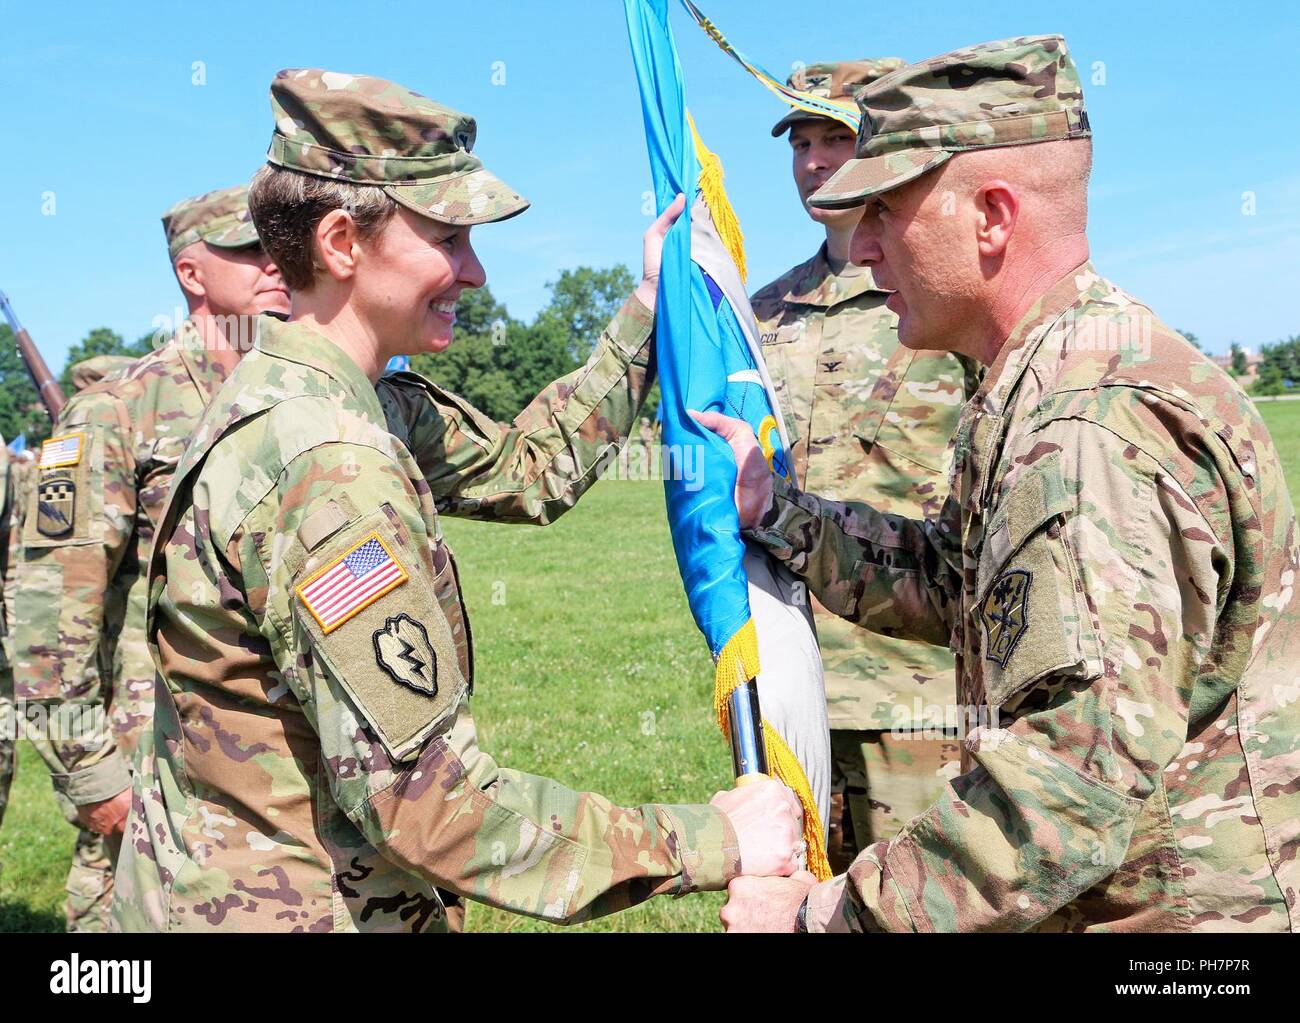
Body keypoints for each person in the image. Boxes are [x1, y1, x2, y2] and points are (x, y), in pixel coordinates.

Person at [111, 68, 801, 933]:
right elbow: (430, 804)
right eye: (449, 236)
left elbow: (531, 468)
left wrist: (647, 308)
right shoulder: (327, 464)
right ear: (340, 242)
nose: (473, 273)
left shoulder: (331, 394)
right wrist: (713, 839)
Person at [700, 35, 1300, 932]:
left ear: (991, 216)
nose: (859, 247)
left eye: (884, 211)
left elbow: (1066, 788)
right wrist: (777, 512)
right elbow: (957, 583)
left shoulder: (1085, 428)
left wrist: (823, 920)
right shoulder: (1040, 375)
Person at [11, 185, 290, 931]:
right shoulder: (114, 413)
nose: (276, 266)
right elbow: (44, 619)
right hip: (150, 778)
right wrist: (92, 775)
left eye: (282, 248)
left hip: (279, 781)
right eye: (250, 249)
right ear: (192, 274)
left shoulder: (292, 399)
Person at [754, 58, 976, 866]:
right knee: (802, 901)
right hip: (789, 675)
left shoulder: (946, 298)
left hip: (919, 687)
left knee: (930, 905)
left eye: (835, 138)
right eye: (800, 142)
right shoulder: (759, 313)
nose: (813, 161)